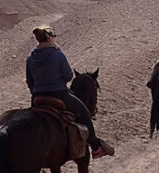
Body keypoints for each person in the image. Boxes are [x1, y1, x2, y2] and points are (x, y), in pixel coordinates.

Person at [26, 25, 114, 159]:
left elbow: (29, 80)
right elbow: (68, 75)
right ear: (50, 38)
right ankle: (96, 147)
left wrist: (37, 90)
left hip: (37, 97)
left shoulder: (30, 57)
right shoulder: (58, 54)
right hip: (59, 94)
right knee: (84, 113)